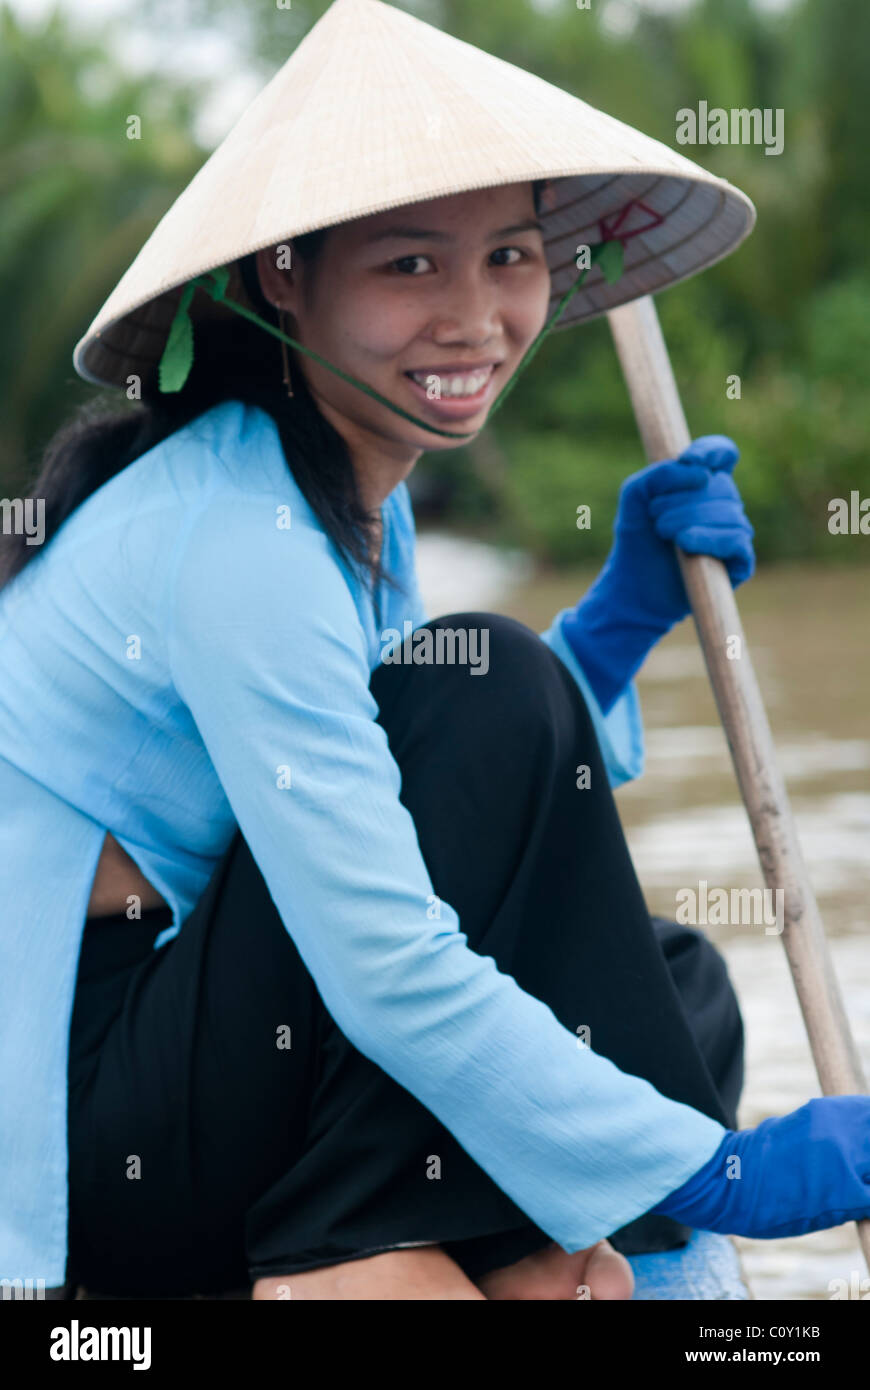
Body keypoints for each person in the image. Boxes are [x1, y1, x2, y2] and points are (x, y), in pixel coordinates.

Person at [2, 0, 868, 1302]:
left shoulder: (355, 496)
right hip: (82, 1130)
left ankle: (499, 1237)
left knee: (667, 978)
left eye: (511, 255)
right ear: (285, 274)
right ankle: (344, 1244)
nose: (476, 318)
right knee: (497, 685)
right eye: (411, 266)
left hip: (210, 1041)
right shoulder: (237, 533)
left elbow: (434, 791)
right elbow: (387, 951)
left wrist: (619, 621)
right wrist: (712, 1173)